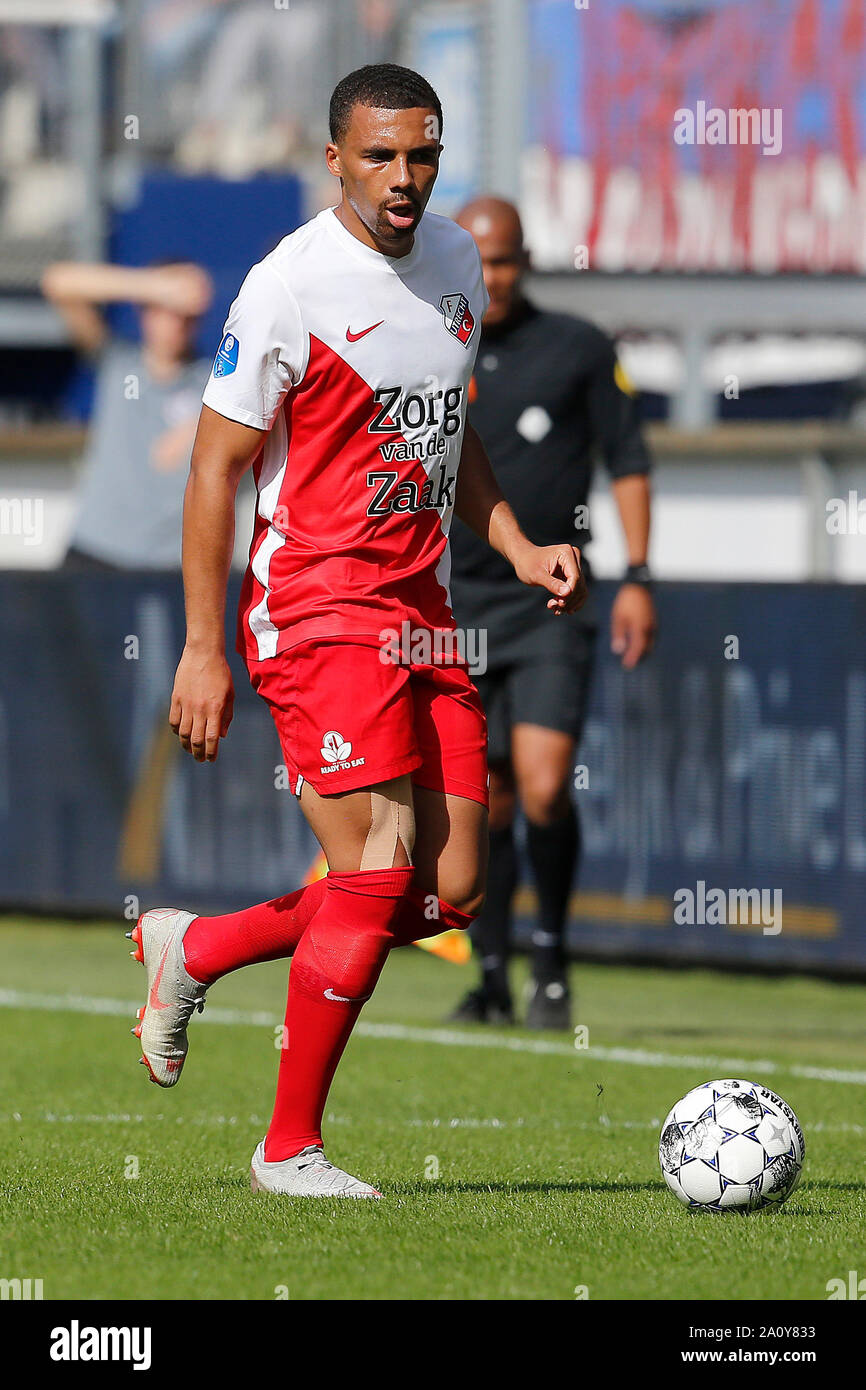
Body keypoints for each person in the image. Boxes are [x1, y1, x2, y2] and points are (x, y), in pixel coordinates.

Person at [125, 64, 586, 1199]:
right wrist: (200, 645)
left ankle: (198, 947)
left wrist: (519, 546)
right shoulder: (289, 285)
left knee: (449, 891)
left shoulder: (457, 267)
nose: (402, 178)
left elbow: (447, 434)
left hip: (423, 611)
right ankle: (289, 1149)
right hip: (319, 606)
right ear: (334, 158)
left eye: (420, 155)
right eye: (378, 156)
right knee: (372, 866)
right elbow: (215, 468)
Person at [447, 197, 656, 1031]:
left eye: (504, 262)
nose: (491, 279)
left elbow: (630, 459)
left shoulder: (577, 347)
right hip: (451, 598)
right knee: (482, 796)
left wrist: (640, 574)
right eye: (477, 262)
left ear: (525, 261)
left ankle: (552, 955)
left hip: (550, 597)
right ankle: (490, 974)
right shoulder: (429, 345)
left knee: (541, 784)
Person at [41, 259, 213, 569]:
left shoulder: (212, 383)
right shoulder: (119, 365)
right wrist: (153, 285)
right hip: (93, 551)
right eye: (164, 310)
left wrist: (191, 429)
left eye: (186, 316)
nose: (175, 323)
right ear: (145, 313)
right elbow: (57, 282)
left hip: (167, 564)